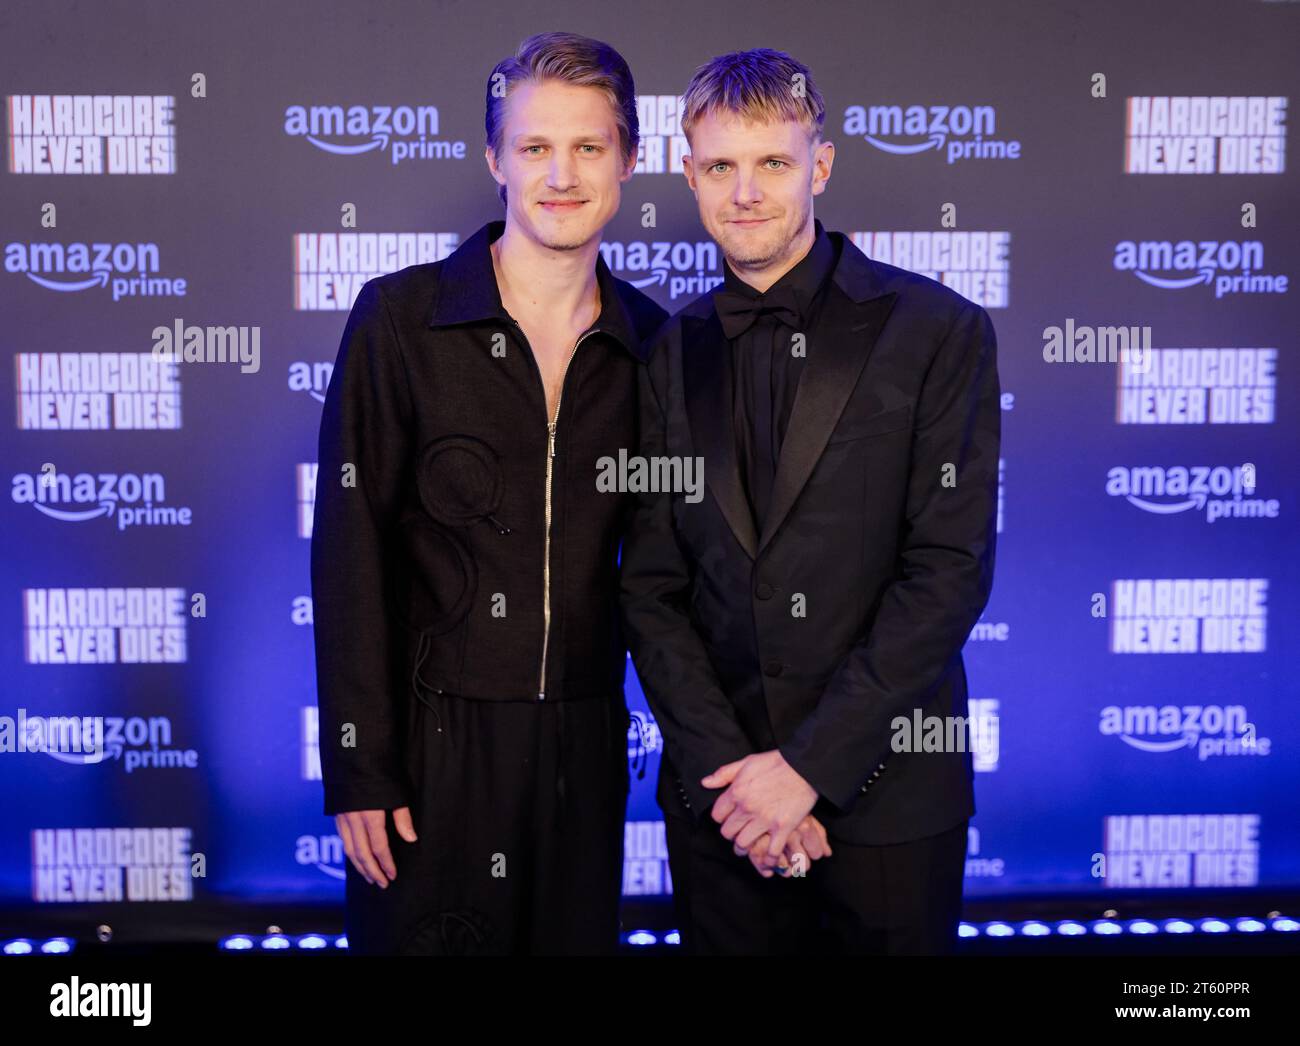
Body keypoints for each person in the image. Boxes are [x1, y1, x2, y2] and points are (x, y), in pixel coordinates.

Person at [619, 48, 1000, 955]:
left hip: (890, 800)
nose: (745, 192)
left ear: (820, 165)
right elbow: (652, 586)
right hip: (724, 813)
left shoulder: (938, 331)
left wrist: (808, 773)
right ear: (690, 174)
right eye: (721, 166)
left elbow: (946, 574)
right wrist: (738, 782)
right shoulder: (668, 351)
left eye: (773, 164)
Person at [311, 31, 667, 955]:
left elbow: (675, 570)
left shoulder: (657, 345)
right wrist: (359, 768)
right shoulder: (401, 319)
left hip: (585, 746)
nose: (562, 174)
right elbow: (348, 549)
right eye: (535, 146)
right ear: (494, 160)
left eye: (589, 147)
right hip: (431, 751)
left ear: (630, 159)